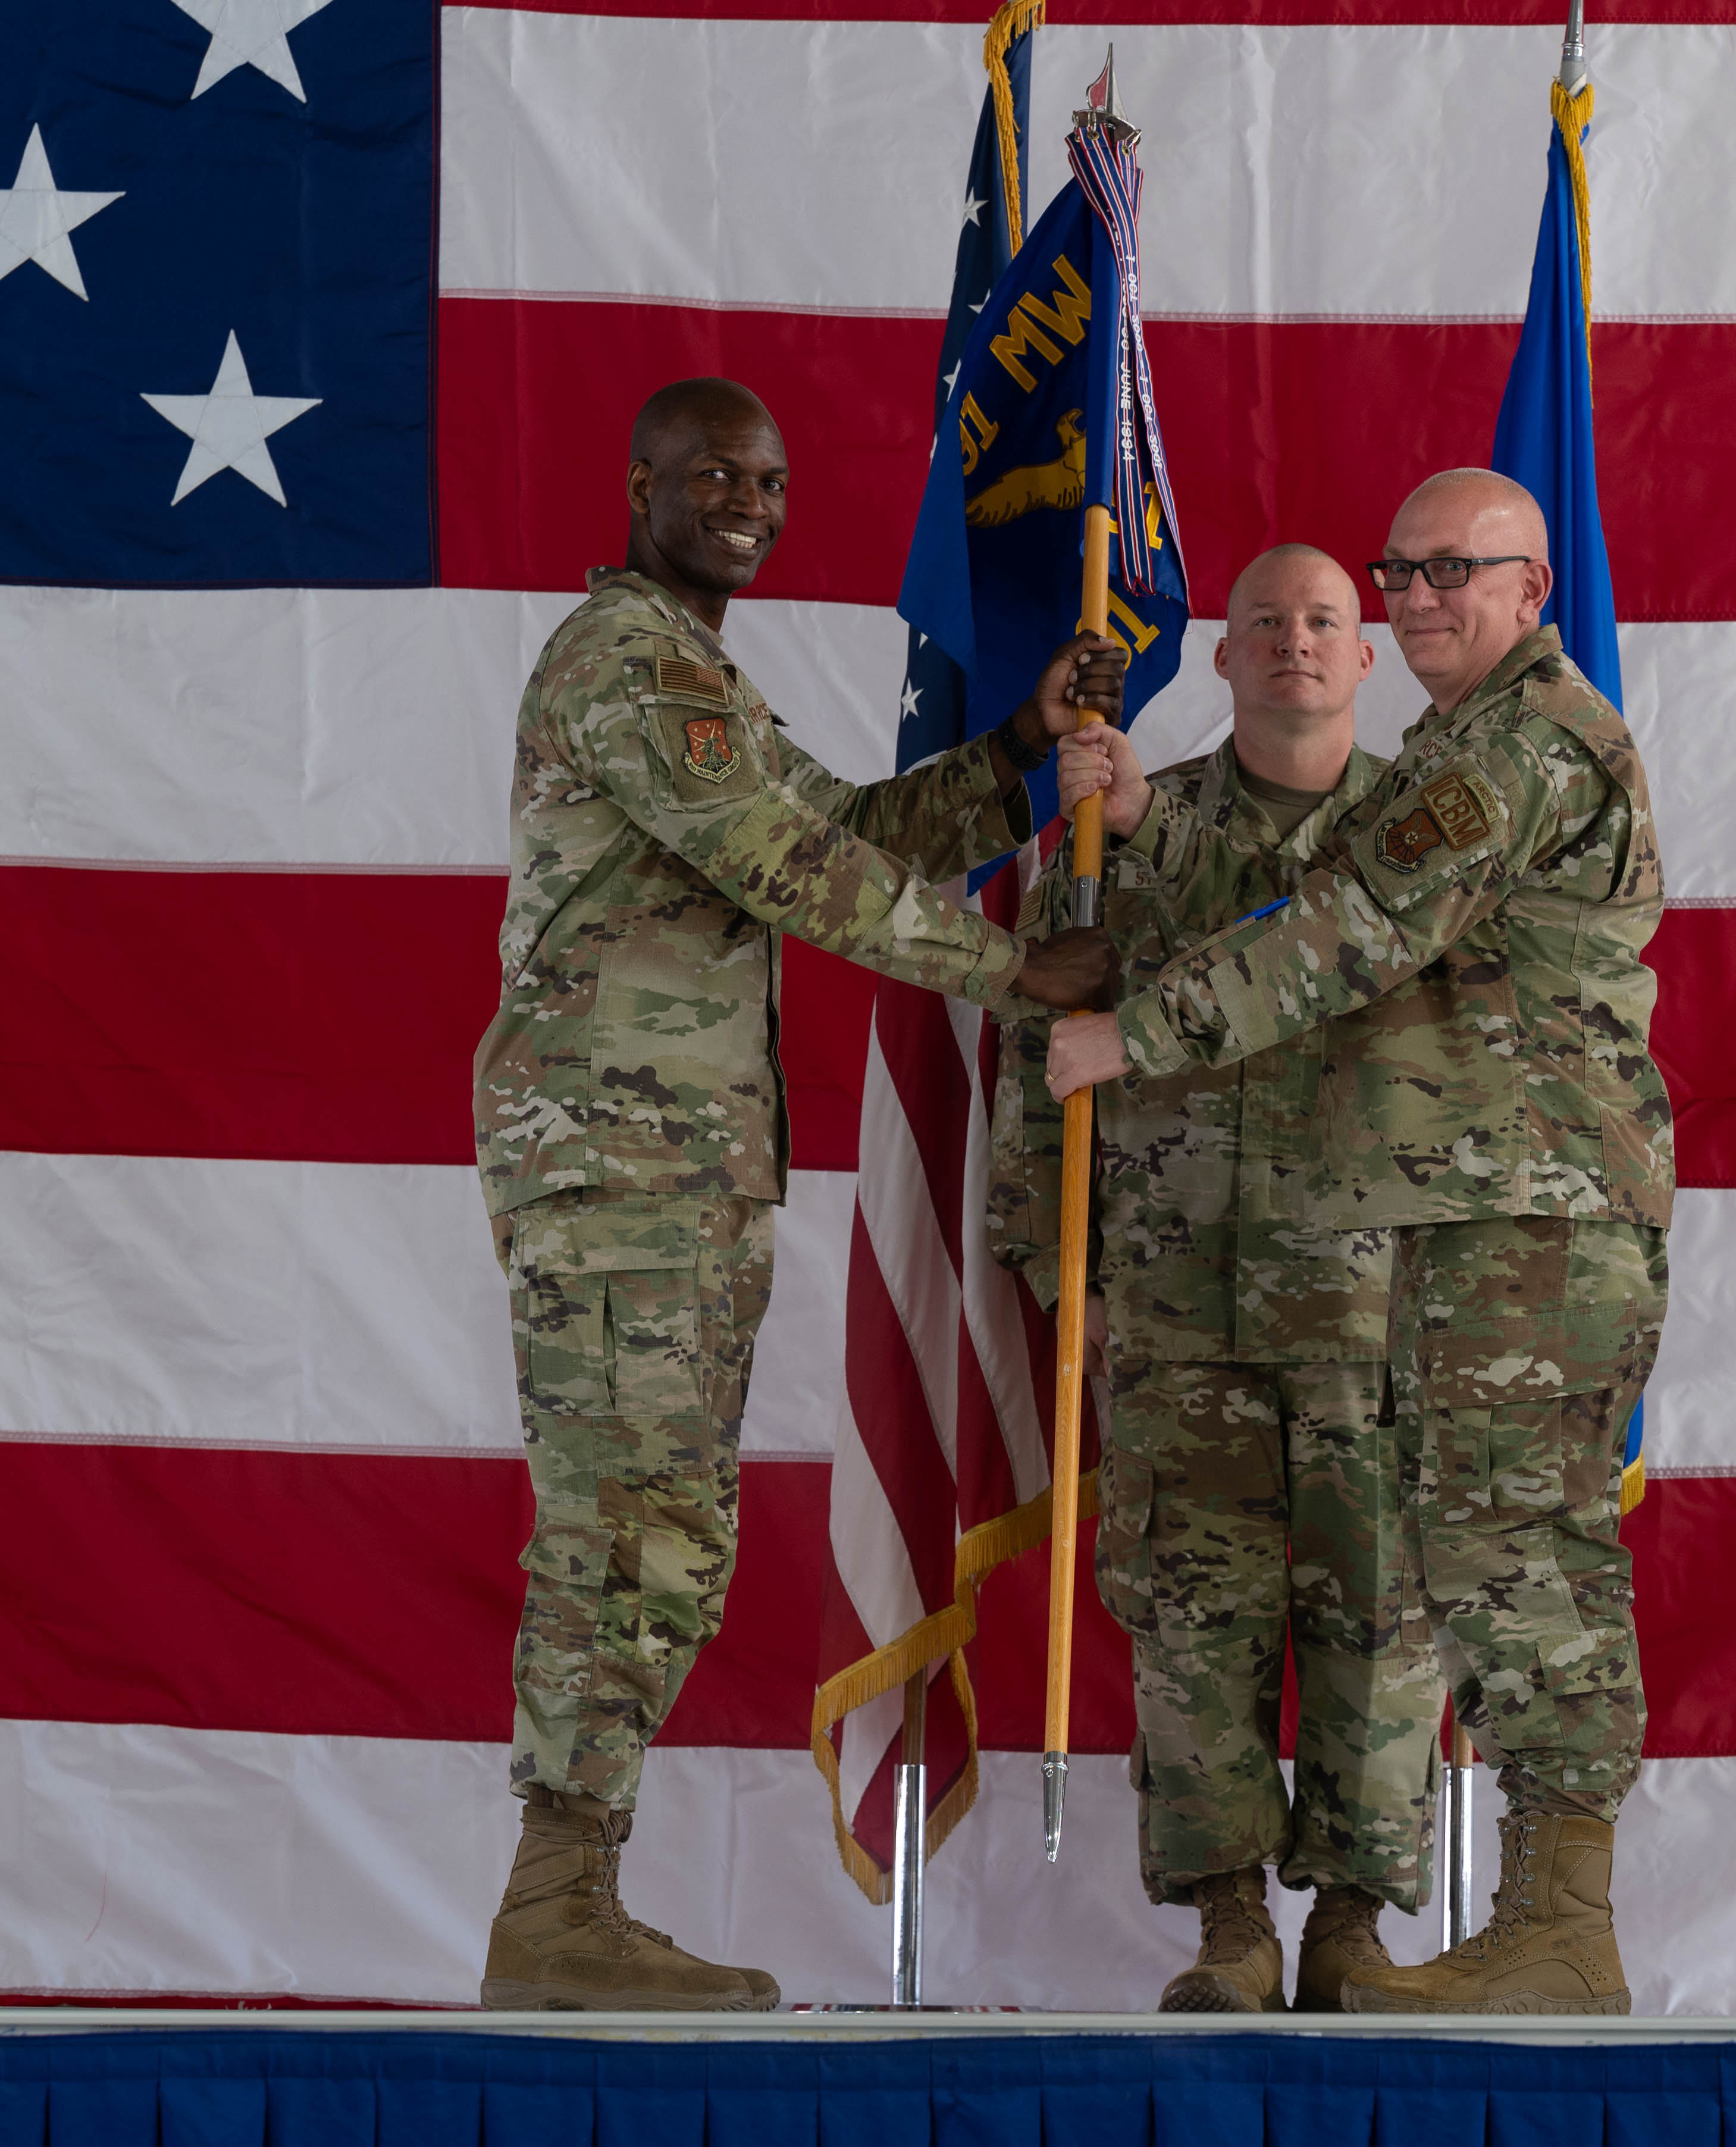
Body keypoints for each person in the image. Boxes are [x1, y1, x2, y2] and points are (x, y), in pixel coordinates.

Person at [471, 376, 1121, 2012]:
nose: (741, 496)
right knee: (628, 1531)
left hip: (671, 1175)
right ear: (636, 485)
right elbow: (786, 868)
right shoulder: (625, 663)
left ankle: (570, 1894)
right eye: (705, 472)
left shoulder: (698, 678)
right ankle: (553, 1906)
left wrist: (1020, 753)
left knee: (663, 1536)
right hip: (615, 1169)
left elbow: (838, 828)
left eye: (763, 474)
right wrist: (1016, 969)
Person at [1047, 471, 1673, 2016]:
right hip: (1453, 1212)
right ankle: (1533, 1925)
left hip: (1524, 1205)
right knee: (1487, 1551)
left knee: (1512, 1558)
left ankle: (1555, 1930)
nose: (1414, 597)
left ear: (1531, 588)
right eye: (1400, 569)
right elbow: (1323, 906)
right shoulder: (1454, 746)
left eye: (1449, 572)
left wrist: (1136, 1031)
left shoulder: (1515, 741)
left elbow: (1344, 934)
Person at [992, 544, 1443, 2013]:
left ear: (1364, 658)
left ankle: (1354, 1927)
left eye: (1323, 622)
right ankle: (1230, 1926)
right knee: (1197, 1625)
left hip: (1381, 1313)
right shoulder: (1121, 833)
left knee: (1381, 1620)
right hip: (1177, 1298)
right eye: (1263, 623)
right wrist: (1056, 1267)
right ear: (1223, 656)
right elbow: (1037, 1043)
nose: (1295, 644)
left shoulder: (1430, 832)